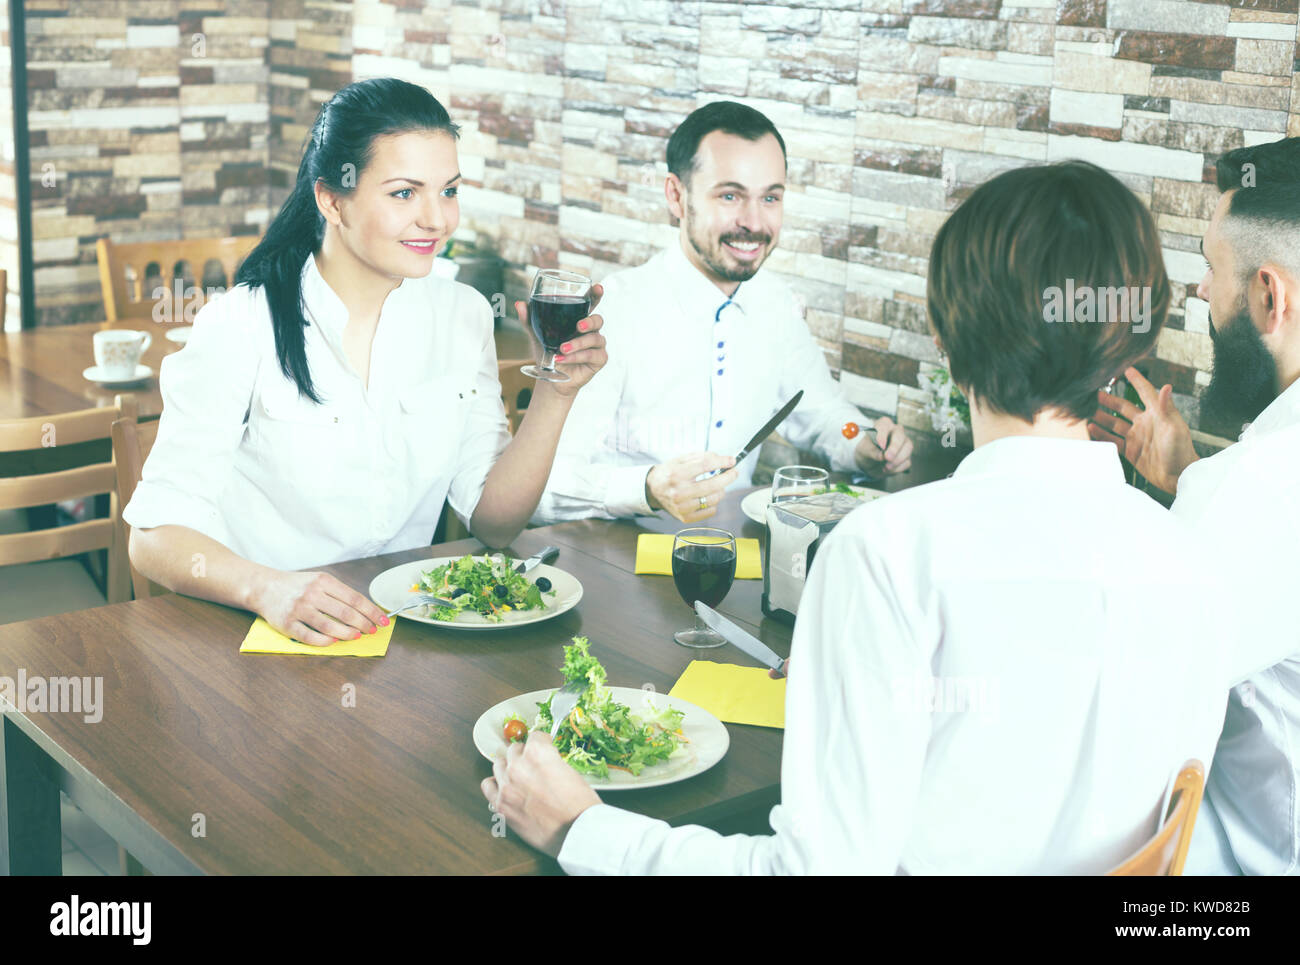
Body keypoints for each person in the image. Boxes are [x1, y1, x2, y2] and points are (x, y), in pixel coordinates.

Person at [482, 161, 1291, 874]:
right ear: (1133, 339)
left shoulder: (888, 551)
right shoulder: (1194, 555)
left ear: (945, 335)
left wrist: (583, 829)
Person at [124, 78, 607, 646]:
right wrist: (268, 588)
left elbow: (495, 522)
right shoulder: (240, 324)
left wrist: (556, 391)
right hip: (259, 635)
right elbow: (153, 537)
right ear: (331, 198)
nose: (437, 220)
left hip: (402, 635)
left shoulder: (462, 315)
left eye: (448, 191)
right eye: (405, 193)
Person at [529, 102, 911, 526]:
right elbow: (541, 486)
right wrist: (649, 488)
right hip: (610, 563)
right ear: (676, 195)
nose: (753, 221)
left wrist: (867, 442)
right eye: (730, 195)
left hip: (732, 564)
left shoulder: (776, 305)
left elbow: (826, 417)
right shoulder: (612, 312)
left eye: (770, 198)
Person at [1091, 136, 1300, 875]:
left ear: (1269, 296)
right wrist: (1189, 479)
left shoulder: (1261, 487)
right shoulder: (1257, 482)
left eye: (1213, 270)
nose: (1202, 294)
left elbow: (1109, 689)